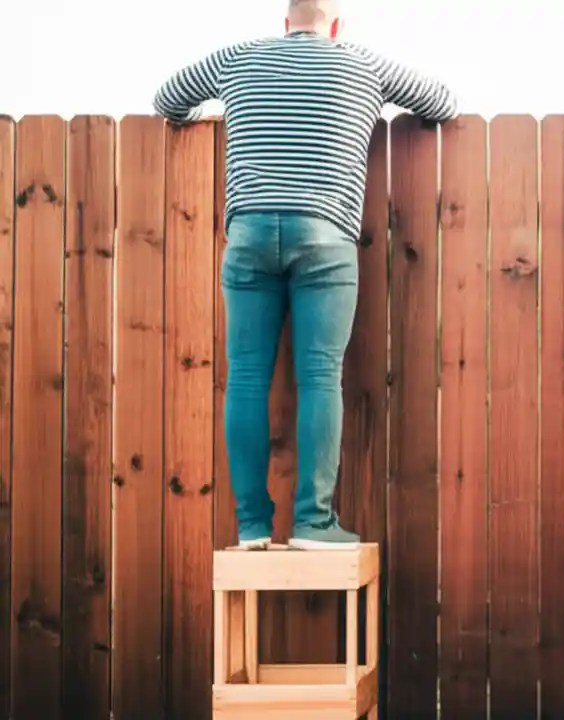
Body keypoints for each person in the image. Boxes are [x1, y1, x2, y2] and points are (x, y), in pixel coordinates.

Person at [153, 0, 458, 551]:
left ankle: (251, 526)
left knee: (245, 378)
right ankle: (313, 522)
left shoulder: (239, 58)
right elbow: (441, 101)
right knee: (319, 377)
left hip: (247, 234)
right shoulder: (361, 62)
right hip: (324, 235)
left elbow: (168, 100)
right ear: (335, 25)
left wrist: (214, 114)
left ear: (285, 22)